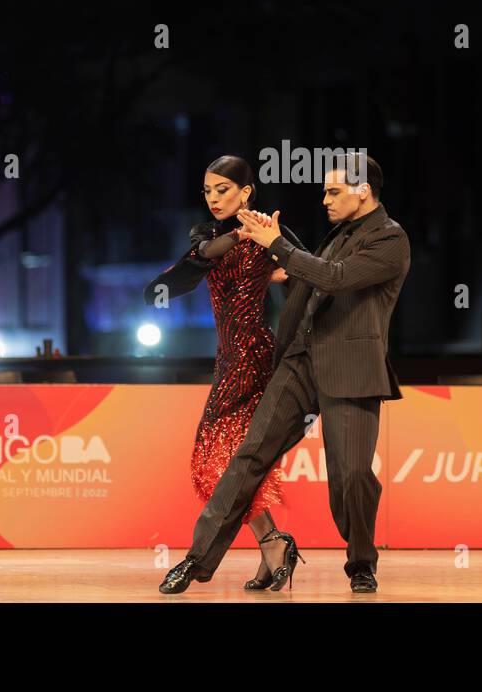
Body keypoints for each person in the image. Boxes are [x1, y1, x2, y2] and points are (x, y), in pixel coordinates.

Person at [159, 152, 409, 594]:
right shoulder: (337, 235)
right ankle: (197, 560)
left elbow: (335, 278)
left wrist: (279, 246)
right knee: (249, 456)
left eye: (333, 191)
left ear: (363, 190)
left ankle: (361, 562)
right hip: (299, 361)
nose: (325, 200)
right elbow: (316, 283)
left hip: (350, 369)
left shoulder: (391, 240)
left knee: (352, 475)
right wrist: (289, 277)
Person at [143, 155, 307, 589]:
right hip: (227, 359)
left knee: (217, 461)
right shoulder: (210, 234)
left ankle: (264, 545)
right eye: (208, 191)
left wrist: (284, 266)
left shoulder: (273, 232)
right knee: (221, 463)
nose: (213, 198)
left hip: (257, 357)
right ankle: (274, 543)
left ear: (247, 192)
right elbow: (180, 275)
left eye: (223, 190)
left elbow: (312, 278)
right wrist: (239, 234)